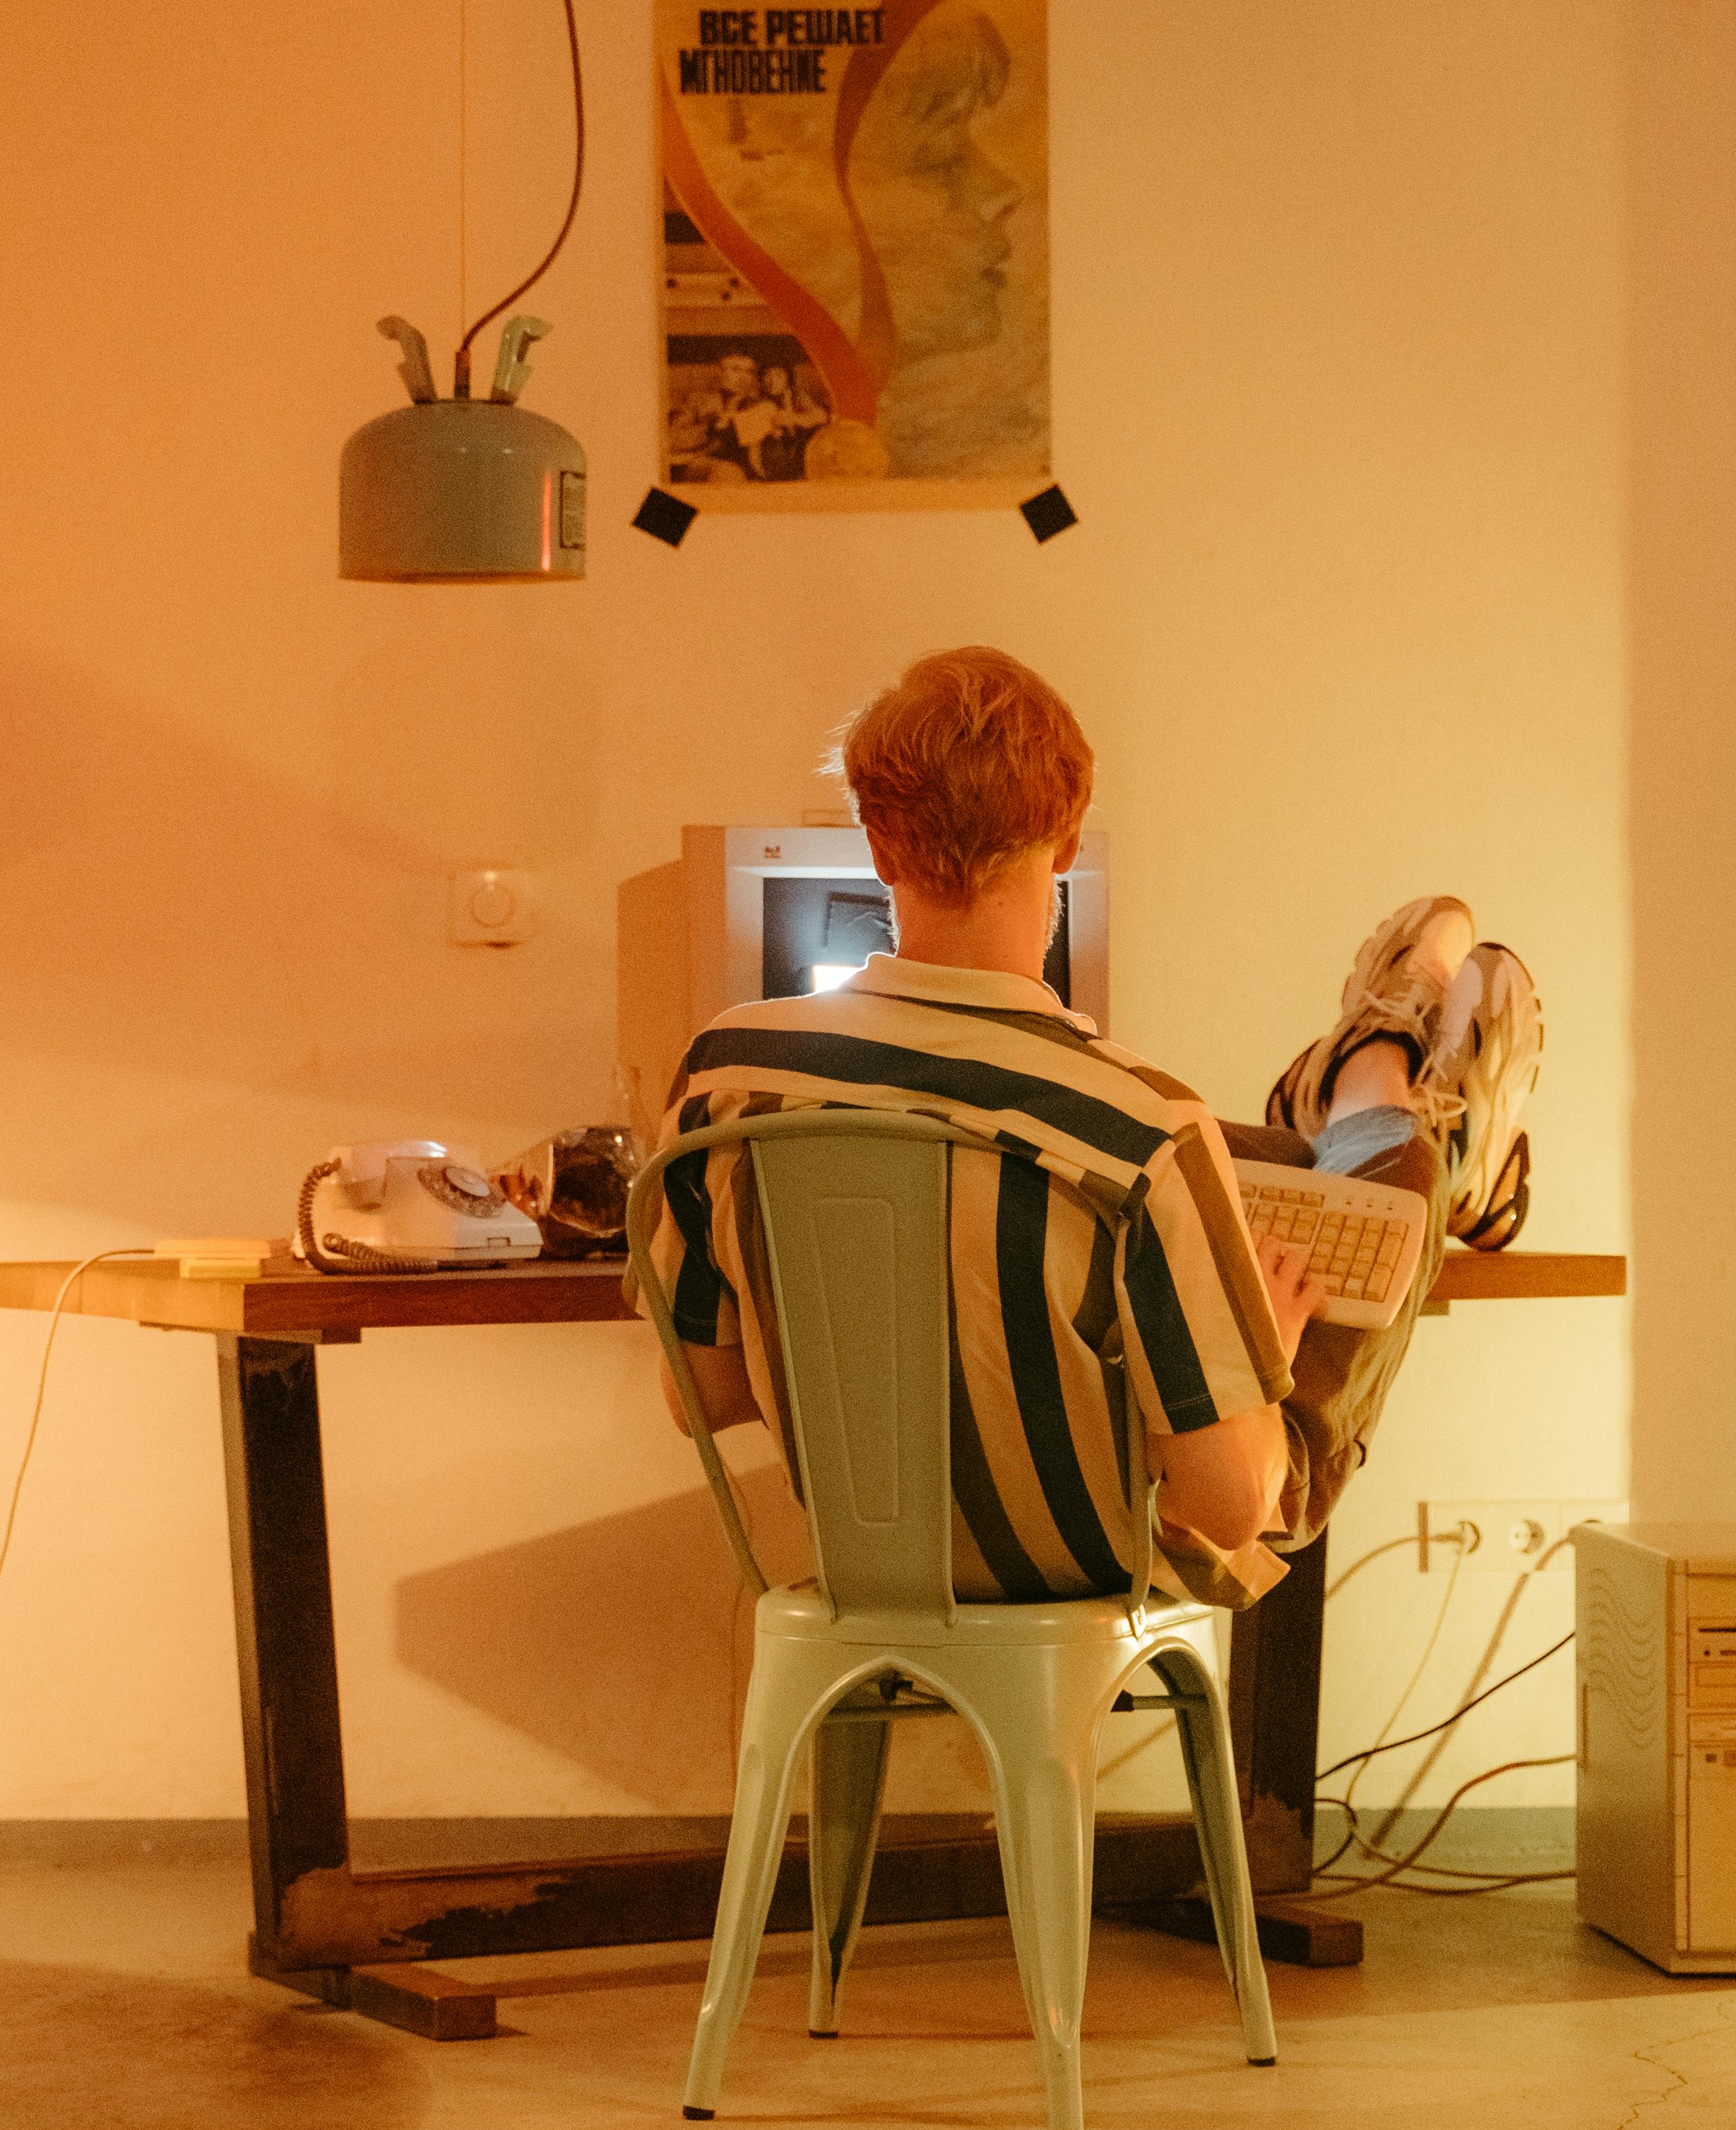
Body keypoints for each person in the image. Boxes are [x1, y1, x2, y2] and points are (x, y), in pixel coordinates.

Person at [642, 644, 1540, 1611]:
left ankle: (1378, 1069)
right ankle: (1402, 1093)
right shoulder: (1139, 1123)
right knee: (1378, 1181)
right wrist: (1255, 1354)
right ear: (1064, 844)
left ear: (877, 842)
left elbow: (703, 1392)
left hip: (861, 1570)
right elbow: (1228, 1506)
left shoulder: (721, 1083)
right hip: (1097, 1570)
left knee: (1269, 1170)